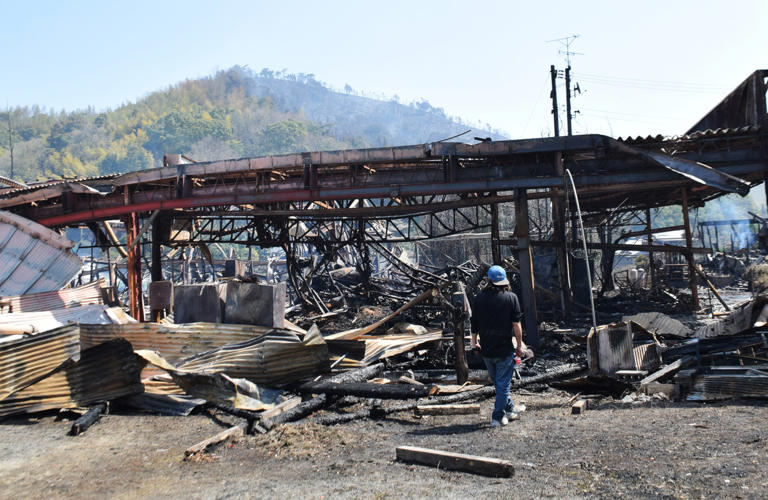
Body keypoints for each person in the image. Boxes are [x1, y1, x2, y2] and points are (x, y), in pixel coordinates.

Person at [470, 265, 525, 427]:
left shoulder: (479, 298)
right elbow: (517, 326)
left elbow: (474, 323)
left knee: (500, 384)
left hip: (487, 349)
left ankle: (510, 410)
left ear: (489, 280)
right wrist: (519, 346)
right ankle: (497, 417)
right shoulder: (511, 298)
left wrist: (474, 343)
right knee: (502, 385)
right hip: (504, 349)